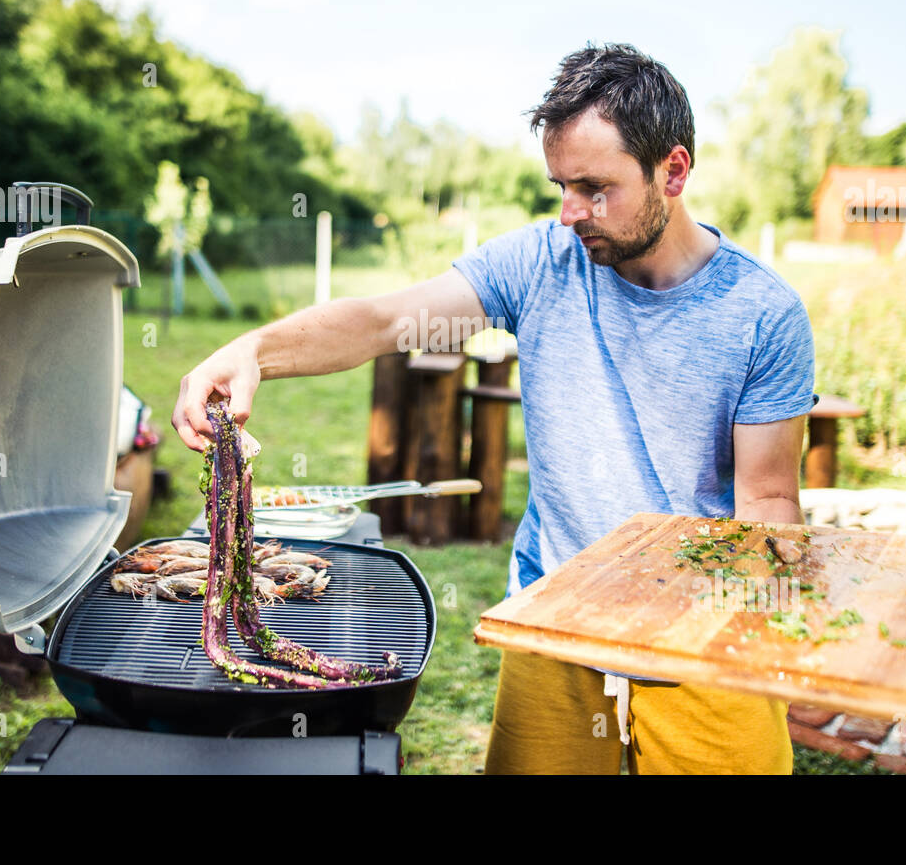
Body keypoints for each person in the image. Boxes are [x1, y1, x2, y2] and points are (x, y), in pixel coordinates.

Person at [172, 42, 815, 775]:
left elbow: (766, 497)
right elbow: (387, 321)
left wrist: (784, 619)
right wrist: (257, 349)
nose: (571, 213)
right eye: (560, 186)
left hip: (707, 643)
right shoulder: (539, 261)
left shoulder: (764, 313)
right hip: (556, 622)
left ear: (673, 170)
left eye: (595, 187)